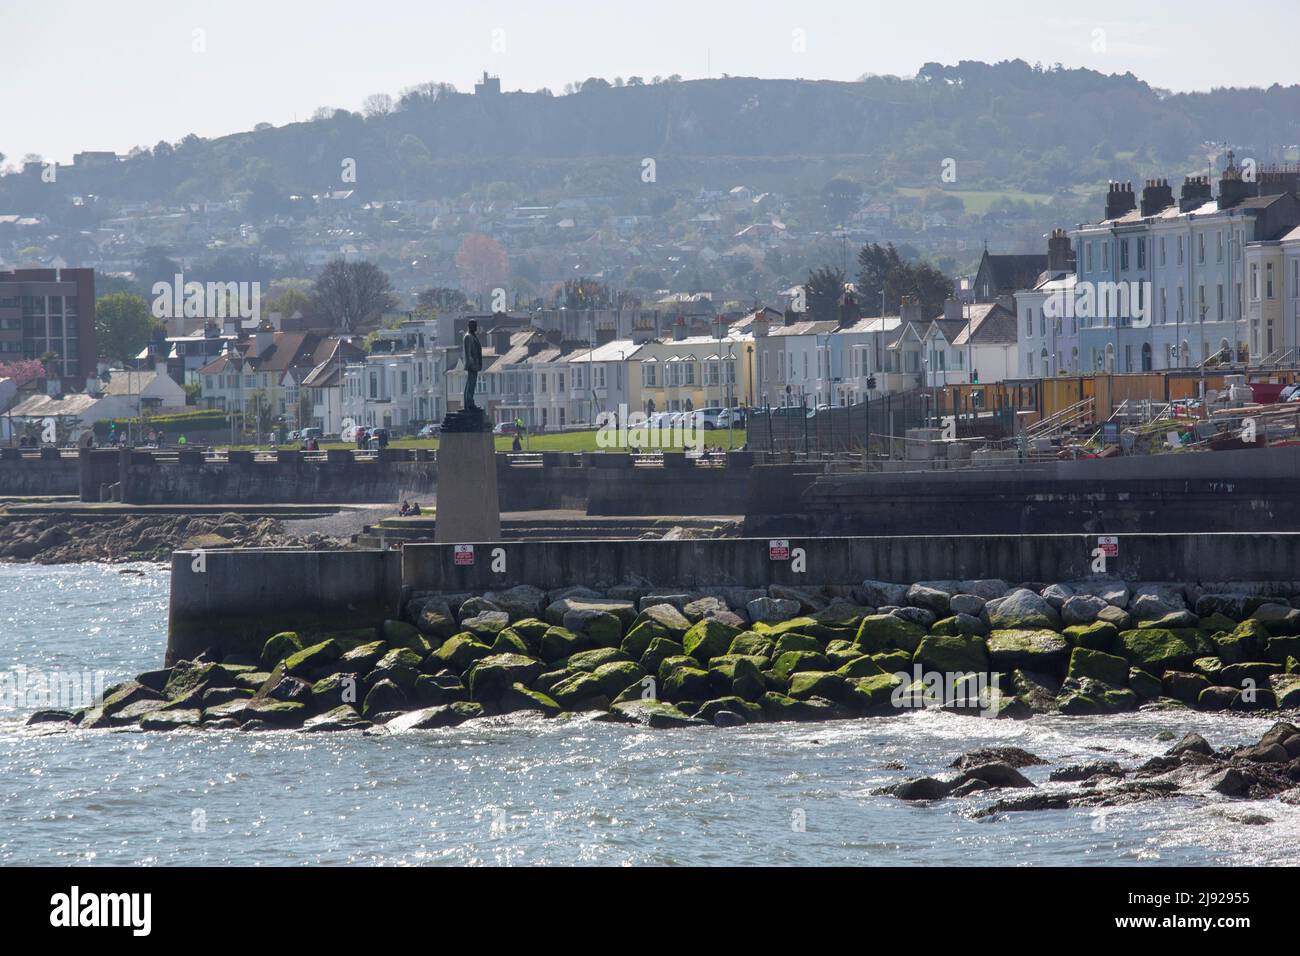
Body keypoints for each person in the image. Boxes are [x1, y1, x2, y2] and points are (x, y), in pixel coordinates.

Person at [463, 320, 483, 410]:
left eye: (476, 325)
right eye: (474, 325)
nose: (475, 327)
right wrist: (471, 364)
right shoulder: (468, 337)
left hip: (475, 365)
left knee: (472, 384)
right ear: (469, 326)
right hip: (472, 365)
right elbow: (468, 353)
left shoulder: (473, 336)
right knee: (470, 384)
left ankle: (469, 402)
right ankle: (469, 403)